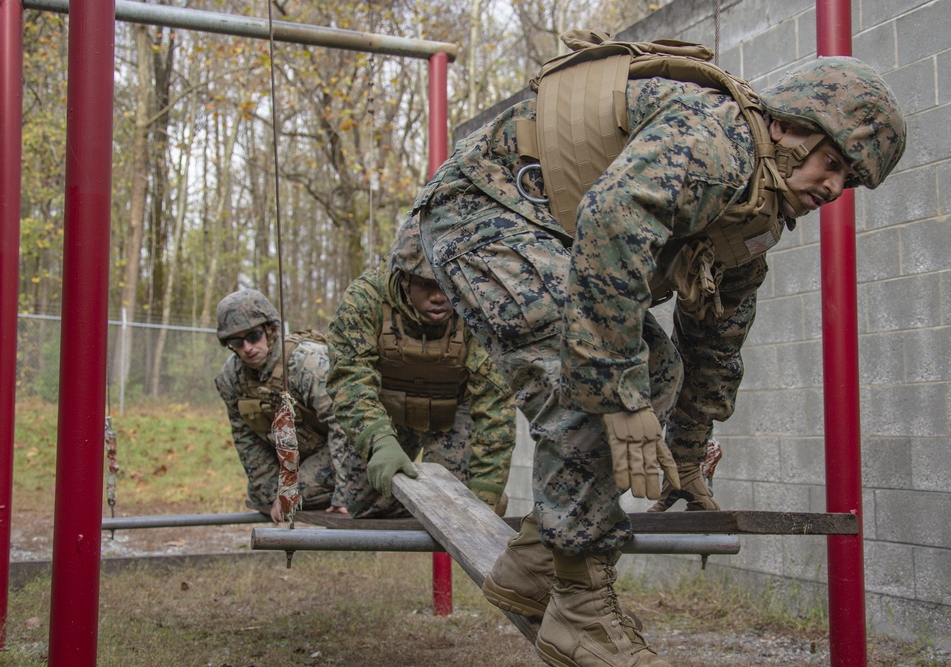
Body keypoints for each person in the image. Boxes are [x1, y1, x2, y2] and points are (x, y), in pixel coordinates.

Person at [412, 34, 906, 667]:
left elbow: (715, 343)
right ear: (790, 127)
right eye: (832, 165)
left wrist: (688, 449)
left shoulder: (754, 216)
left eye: (849, 181)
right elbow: (615, 218)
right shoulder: (714, 141)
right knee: (589, 383)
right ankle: (580, 613)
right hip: (479, 212)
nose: (834, 189)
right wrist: (617, 397)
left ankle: (536, 566)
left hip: (547, 234)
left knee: (650, 369)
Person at [326, 217, 517, 519]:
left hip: (452, 414)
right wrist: (379, 441)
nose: (440, 296)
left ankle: (455, 493)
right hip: (386, 411)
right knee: (366, 507)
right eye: (428, 284)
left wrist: (485, 494)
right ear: (404, 279)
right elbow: (350, 378)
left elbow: (495, 407)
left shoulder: (479, 307)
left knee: (459, 509)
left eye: (447, 283)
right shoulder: (365, 299)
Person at [214, 289, 349, 523]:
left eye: (254, 336)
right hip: (295, 456)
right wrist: (273, 491)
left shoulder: (307, 363)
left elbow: (345, 424)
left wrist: (345, 490)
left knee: (300, 492)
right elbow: (245, 437)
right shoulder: (231, 378)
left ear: (270, 330)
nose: (247, 347)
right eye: (237, 342)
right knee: (263, 494)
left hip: (338, 448)